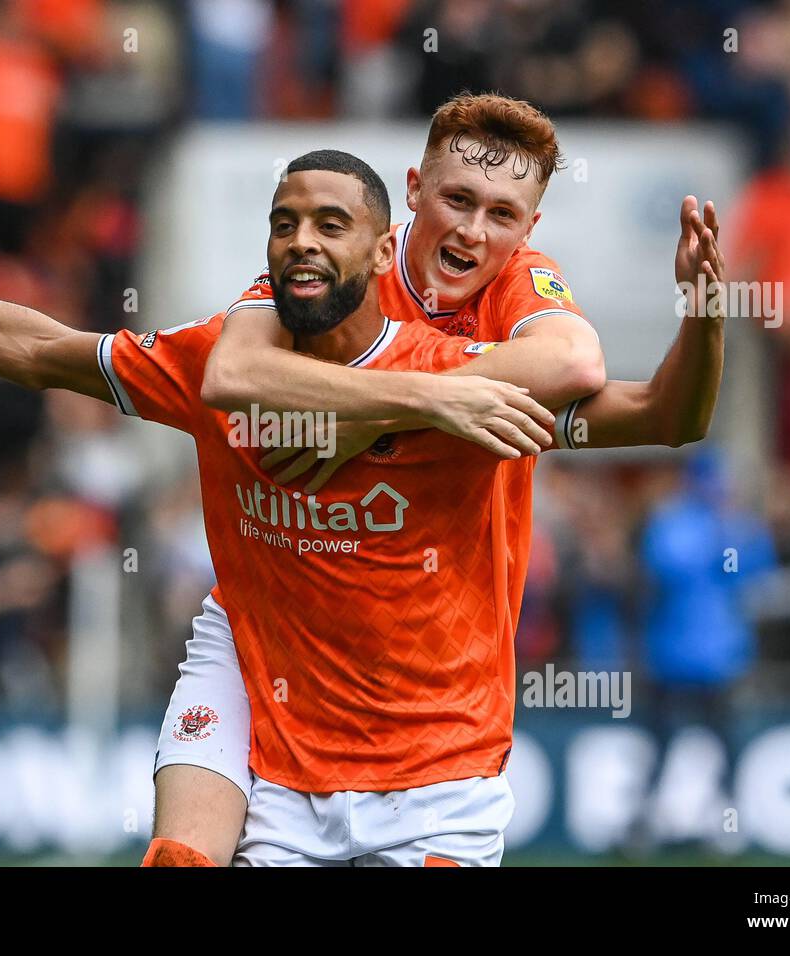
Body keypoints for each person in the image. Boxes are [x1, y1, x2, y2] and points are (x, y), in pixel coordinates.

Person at [149, 93, 727, 865]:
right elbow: (232, 369)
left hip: (436, 717)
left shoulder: (517, 289)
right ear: (414, 190)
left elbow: (642, 403)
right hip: (269, 644)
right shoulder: (339, 256)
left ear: (530, 230)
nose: (472, 231)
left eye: (502, 214)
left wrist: (706, 315)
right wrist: (422, 401)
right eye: (456, 200)